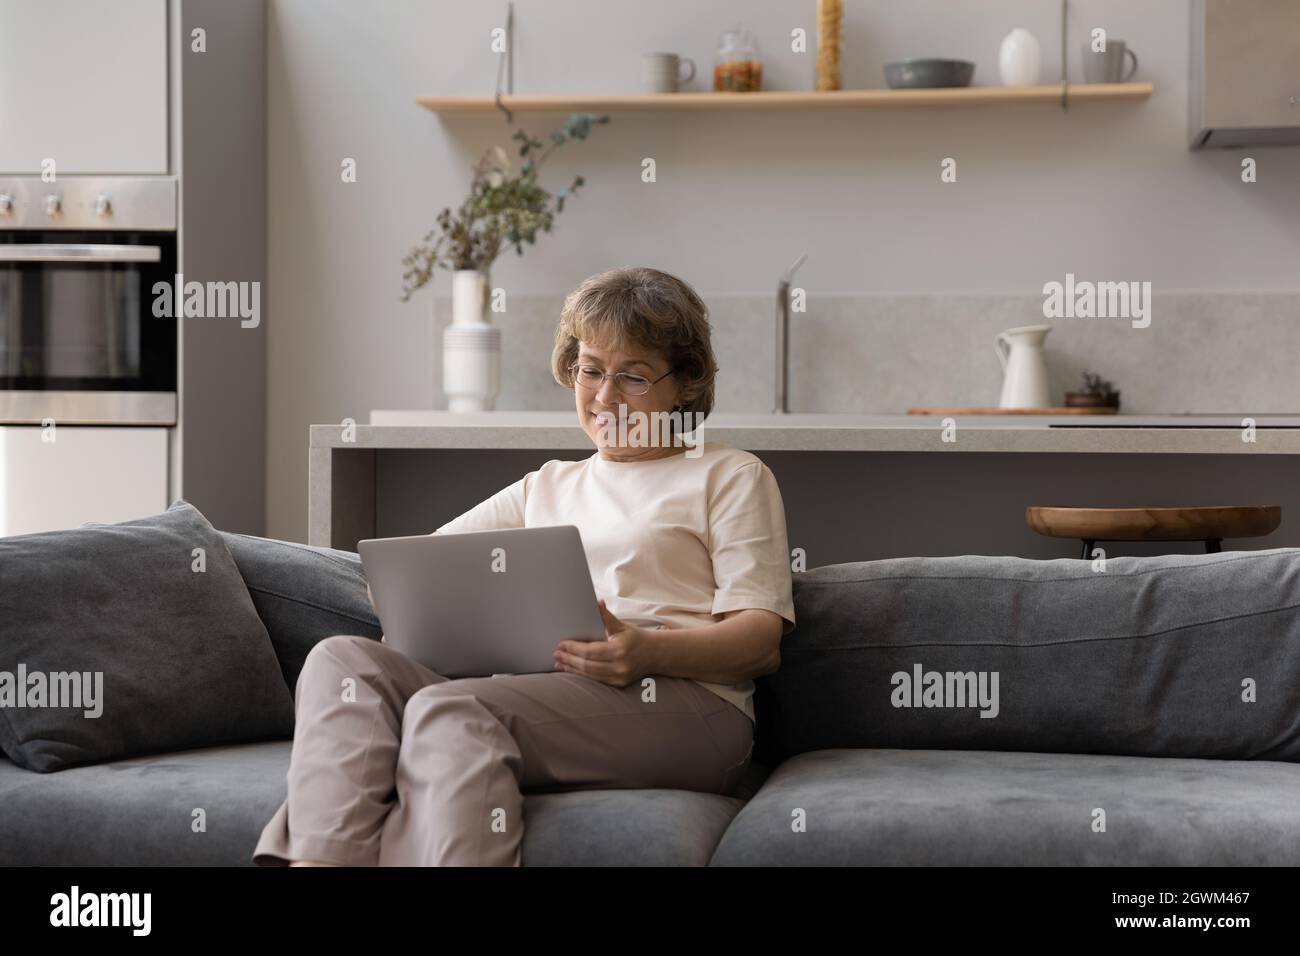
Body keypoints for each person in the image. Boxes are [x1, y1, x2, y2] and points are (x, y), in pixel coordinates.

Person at [252, 266, 796, 866]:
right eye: (591, 370)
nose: (606, 395)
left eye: (633, 376)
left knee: (449, 707)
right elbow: (413, 578)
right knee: (340, 660)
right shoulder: (548, 485)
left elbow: (760, 641)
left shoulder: (731, 476)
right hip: (545, 689)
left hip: (685, 704)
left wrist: (644, 651)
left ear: (685, 383)